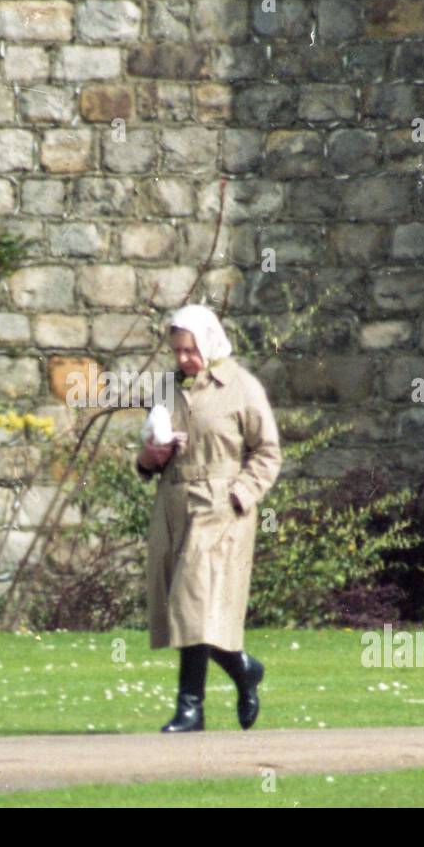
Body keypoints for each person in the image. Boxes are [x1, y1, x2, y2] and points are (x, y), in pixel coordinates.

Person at [135, 304, 283, 732]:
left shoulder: (241, 387)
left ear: (209, 344)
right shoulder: (167, 389)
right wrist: (149, 457)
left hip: (220, 508)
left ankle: (190, 707)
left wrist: (240, 496)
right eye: (177, 351)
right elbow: (149, 455)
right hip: (174, 503)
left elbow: (268, 452)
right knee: (180, 606)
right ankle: (242, 669)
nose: (182, 359)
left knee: (192, 602)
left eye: (190, 350)